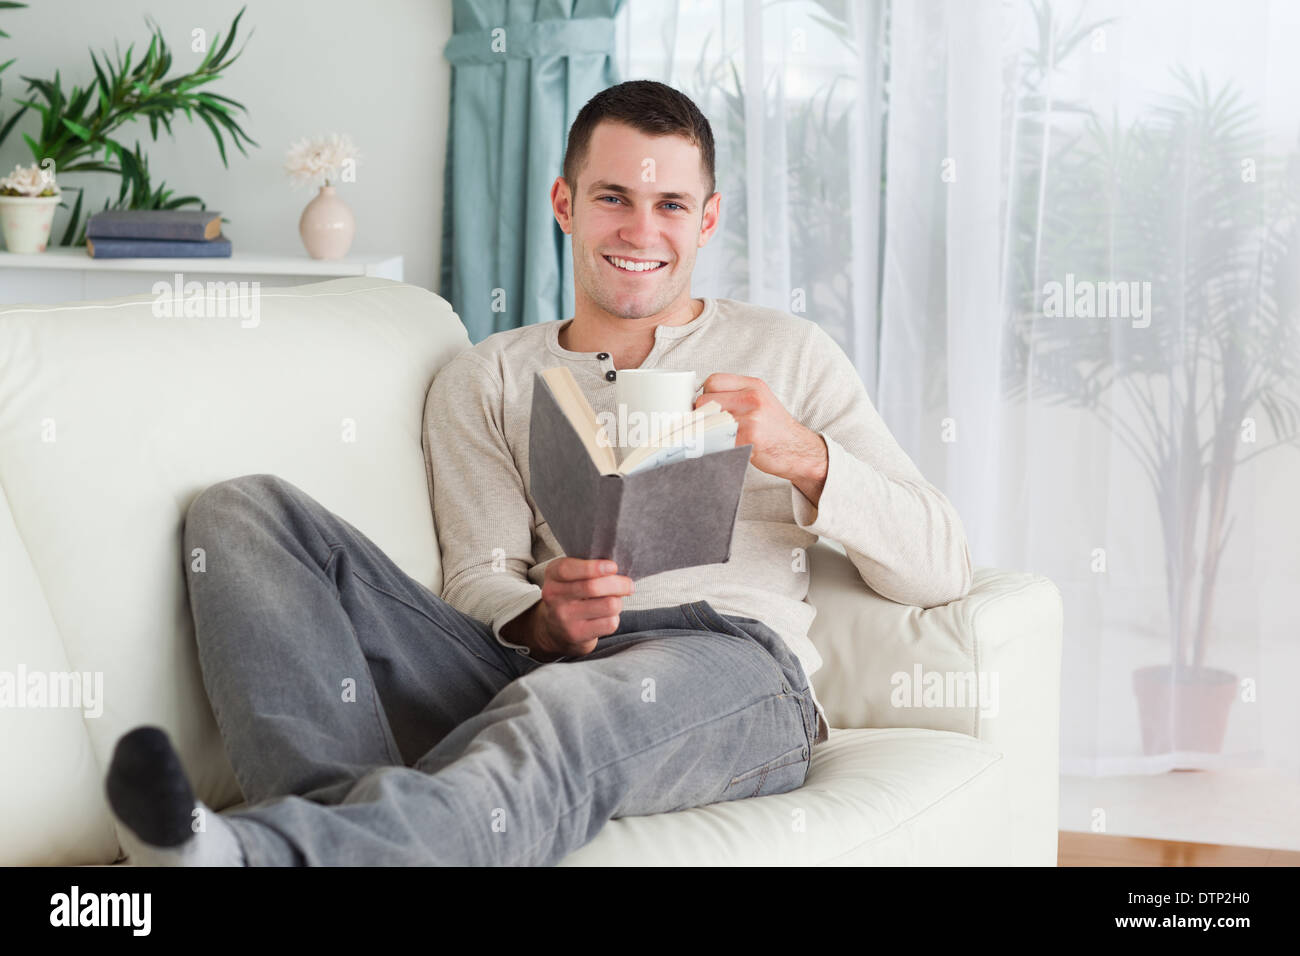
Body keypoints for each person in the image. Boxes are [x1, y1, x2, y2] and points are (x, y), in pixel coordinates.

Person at [104, 79, 973, 866]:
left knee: (569, 710)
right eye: (612, 199)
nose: (640, 231)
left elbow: (940, 564)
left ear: (707, 221)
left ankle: (262, 856)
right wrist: (542, 618)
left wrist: (805, 455)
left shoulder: (791, 352)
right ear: (565, 203)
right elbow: (476, 577)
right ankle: (328, 831)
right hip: (527, 665)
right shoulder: (488, 375)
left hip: (728, 666)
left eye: (671, 204)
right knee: (243, 515)